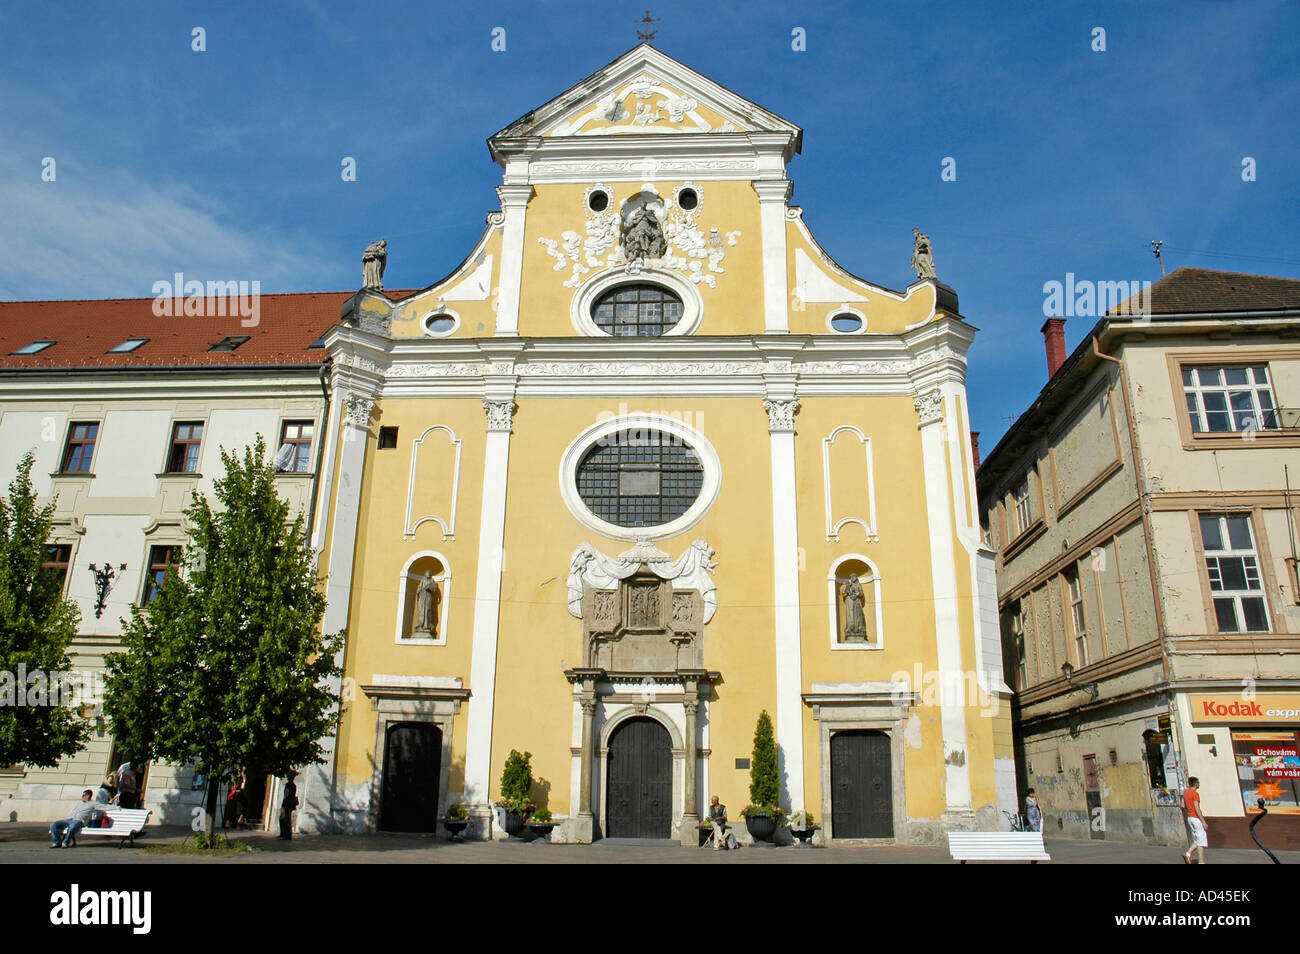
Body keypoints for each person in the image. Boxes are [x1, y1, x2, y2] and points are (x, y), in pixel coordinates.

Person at [1182, 776, 1208, 864]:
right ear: (1196, 784)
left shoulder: (1186, 793)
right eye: (1198, 783)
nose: (1199, 784)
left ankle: (1188, 854)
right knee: (1201, 841)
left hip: (1189, 818)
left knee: (1198, 839)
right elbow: (1197, 808)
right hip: (1196, 818)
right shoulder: (1195, 794)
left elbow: (1182, 806)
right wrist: (1203, 821)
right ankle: (1201, 861)